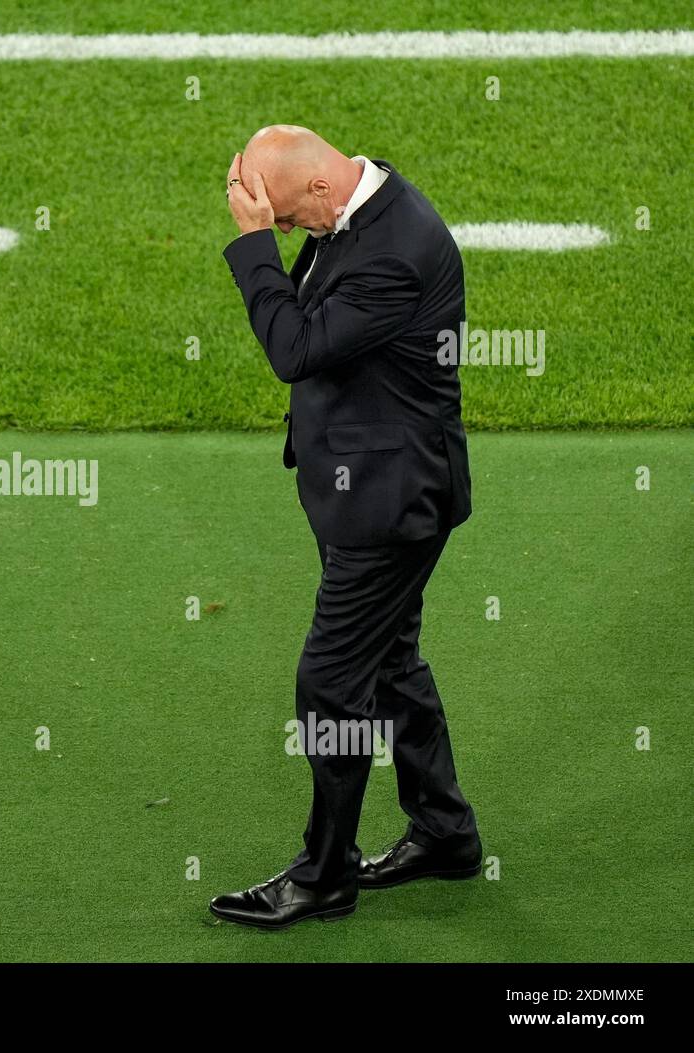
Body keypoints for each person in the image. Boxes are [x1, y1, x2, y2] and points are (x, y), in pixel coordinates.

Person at [210, 125, 482, 930]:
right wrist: (275, 222)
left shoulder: (396, 250)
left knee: (331, 682)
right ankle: (444, 831)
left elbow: (293, 346)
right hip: (363, 485)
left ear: (323, 191)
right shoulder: (355, 201)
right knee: (391, 660)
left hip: (390, 507)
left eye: (291, 216)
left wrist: (256, 245)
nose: (287, 229)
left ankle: (325, 875)